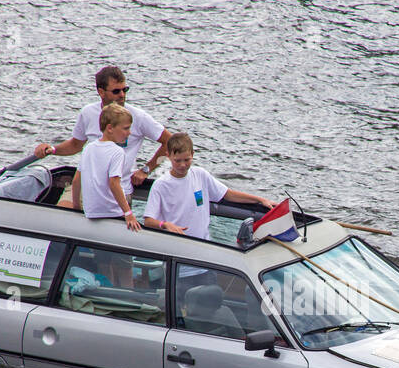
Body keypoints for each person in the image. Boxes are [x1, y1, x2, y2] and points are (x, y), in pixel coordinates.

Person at [34, 65, 171, 194]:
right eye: (116, 91)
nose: (122, 95)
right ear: (101, 92)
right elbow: (76, 145)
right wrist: (52, 150)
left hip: (118, 189)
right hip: (87, 185)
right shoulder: (87, 112)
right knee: (63, 210)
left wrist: (146, 170)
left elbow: (170, 142)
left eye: (125, 89)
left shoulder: (139, 117)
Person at [143, 132, 274, 238]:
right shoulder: (160, 185)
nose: (183, 165)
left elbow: (228, 194)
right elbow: (148, 221)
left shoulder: (201, 175)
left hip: (203, 249)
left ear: (192, 155)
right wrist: (165, 225)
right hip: (176, 253)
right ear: (168, 156)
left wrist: (260, 199)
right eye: (177, 161)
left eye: (187, 160)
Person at [78, 104, 141, 232]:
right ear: (110, 128)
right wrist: (128, 214)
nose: (129, 133)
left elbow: (76, 180)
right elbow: (113, 183)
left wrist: (76, 206)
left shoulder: (88, 148)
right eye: (126, 128)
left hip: (91, 211)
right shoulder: (117, 152)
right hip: (112, 212)